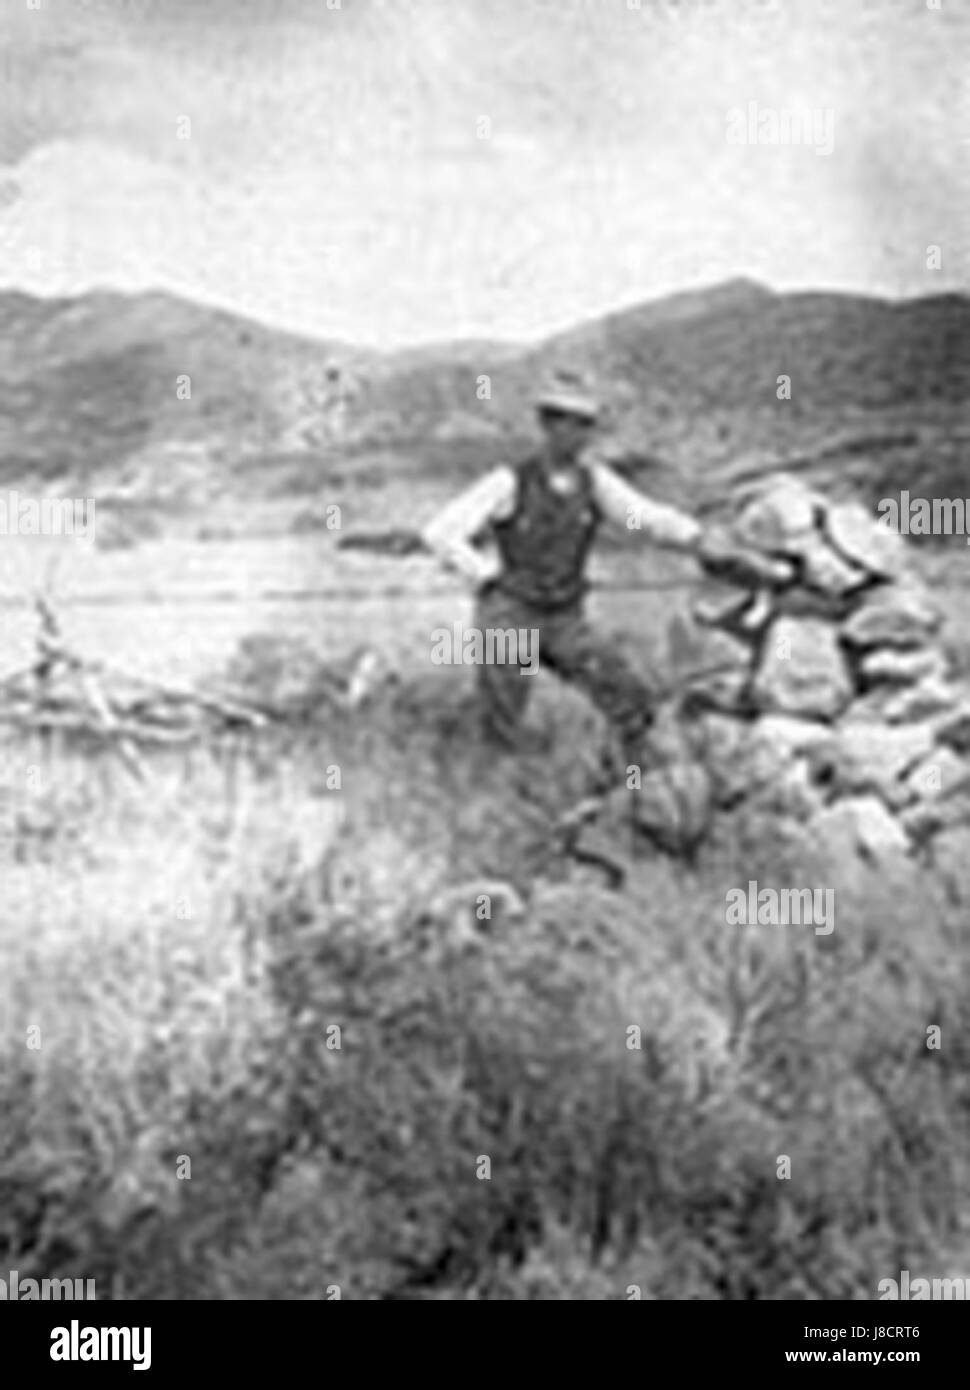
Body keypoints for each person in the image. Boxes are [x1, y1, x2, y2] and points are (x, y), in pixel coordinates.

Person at [421, 372, 749, 764]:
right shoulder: (508, 481)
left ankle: (635, 779)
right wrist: (484, 574)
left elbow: (642, 517)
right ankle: (498, 797)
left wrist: (696, 536)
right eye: (568, 422)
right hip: (508, 616)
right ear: (547, 423)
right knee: (503, 725)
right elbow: (440, 533)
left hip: (565, 617)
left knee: (627, 695)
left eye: (586, 425)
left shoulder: (595, 482)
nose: (578, 435)